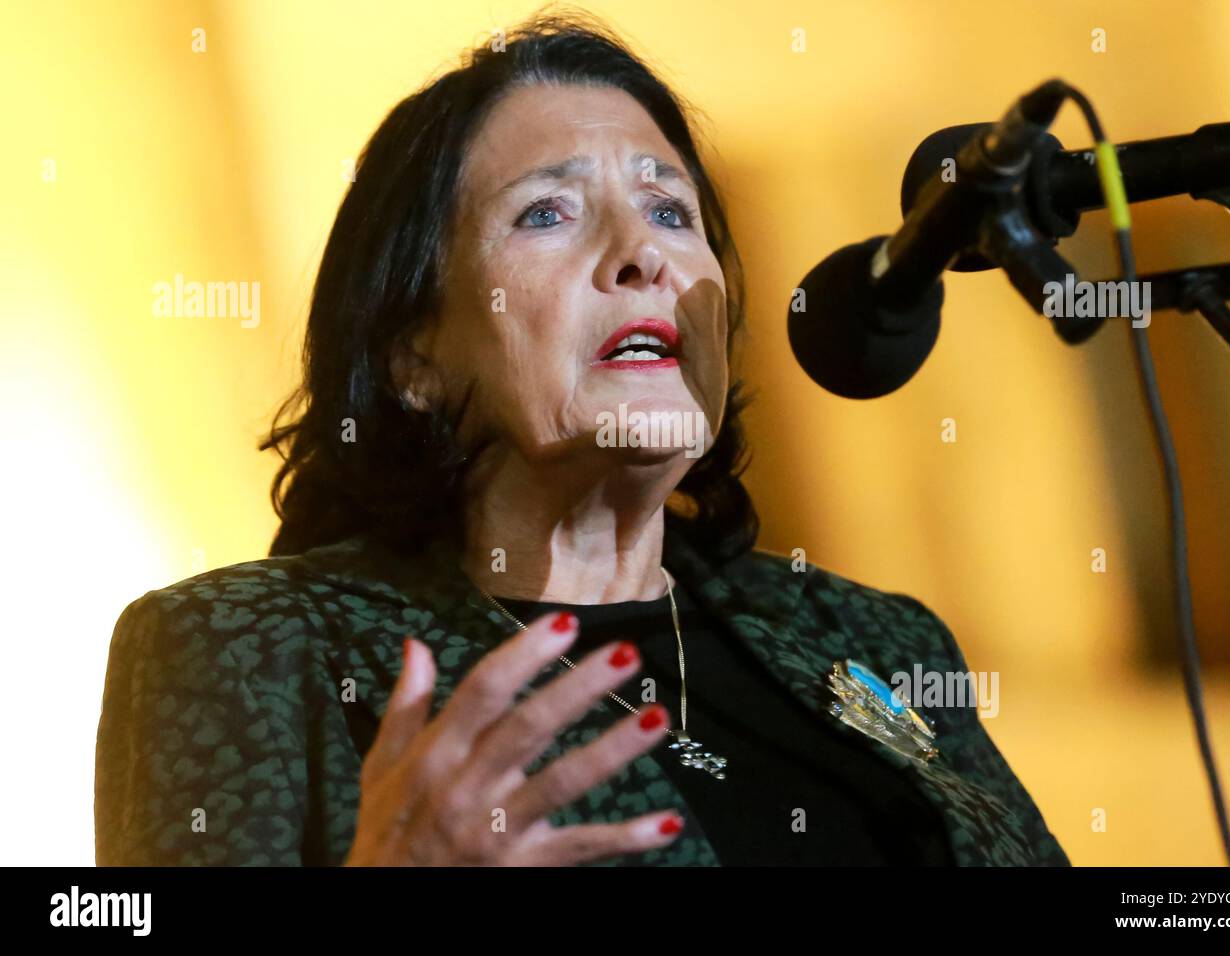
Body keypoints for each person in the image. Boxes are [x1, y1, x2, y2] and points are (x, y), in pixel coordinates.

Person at [94, 11, 1069, 867]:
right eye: (547, 211)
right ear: (414, 356)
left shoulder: (877, 637)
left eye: (669, 209)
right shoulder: (253, 649)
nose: (642, 253)